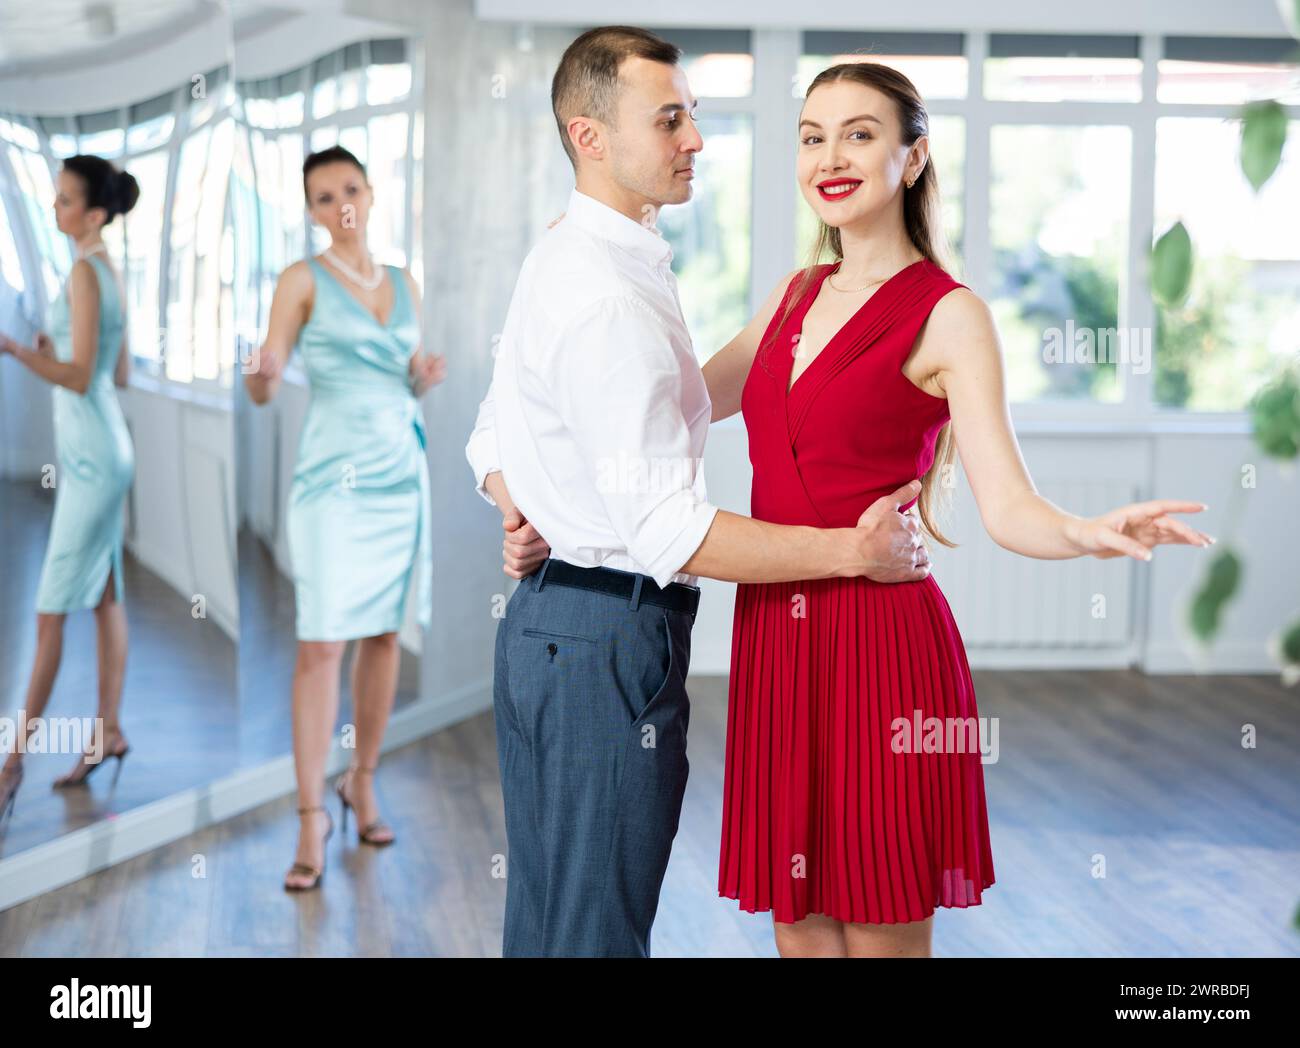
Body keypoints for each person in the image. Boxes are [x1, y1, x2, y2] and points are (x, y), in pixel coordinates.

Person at [702, 60, 1213, 957]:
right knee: (801, 924)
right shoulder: (791, 298)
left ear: (911, 157)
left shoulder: (950, 315)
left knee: (877, 914)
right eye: (813, 135)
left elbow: (1009, 505)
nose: (832, 155)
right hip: (776, 640)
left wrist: (1089, 532)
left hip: (879, 653)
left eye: (860, 133)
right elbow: (670, 403)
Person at [464, 26, 927, 958]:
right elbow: (670, 530)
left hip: (555, 630)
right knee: (594, 933)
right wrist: (853, 550)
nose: (696, 141)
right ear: (589, 137)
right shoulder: (607, 297)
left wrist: (528, 505)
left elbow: (496, 426)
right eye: (669, 119)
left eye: (696, 117)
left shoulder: (590, 254)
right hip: (604, 645)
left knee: (552, 926)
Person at [244, 145, 445, 891]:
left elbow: (406, 381)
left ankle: (362, 780)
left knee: (386, 634)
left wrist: (420, 379)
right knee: (320, 646)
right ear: (312, 211)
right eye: (323, 197)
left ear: (370, 192)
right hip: (333, 482)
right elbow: (266, 387)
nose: (340, 205)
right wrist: (258, 375)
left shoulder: (404, 280)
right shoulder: (300, 281)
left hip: (401, 474)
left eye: (349, 189)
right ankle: (309, 817)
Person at [0, 154, 138, 821]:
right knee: (105, 596)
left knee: (50, 611)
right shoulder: (108, 271)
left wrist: (21, 352)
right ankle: (106, 731)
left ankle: (9, 766)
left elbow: (82, 376)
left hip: (90, 459)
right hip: (110, 448)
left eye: (63, 201)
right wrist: (57, 350)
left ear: (94, 212)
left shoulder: (86, 271)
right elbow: (122, 372)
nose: (55, 209)